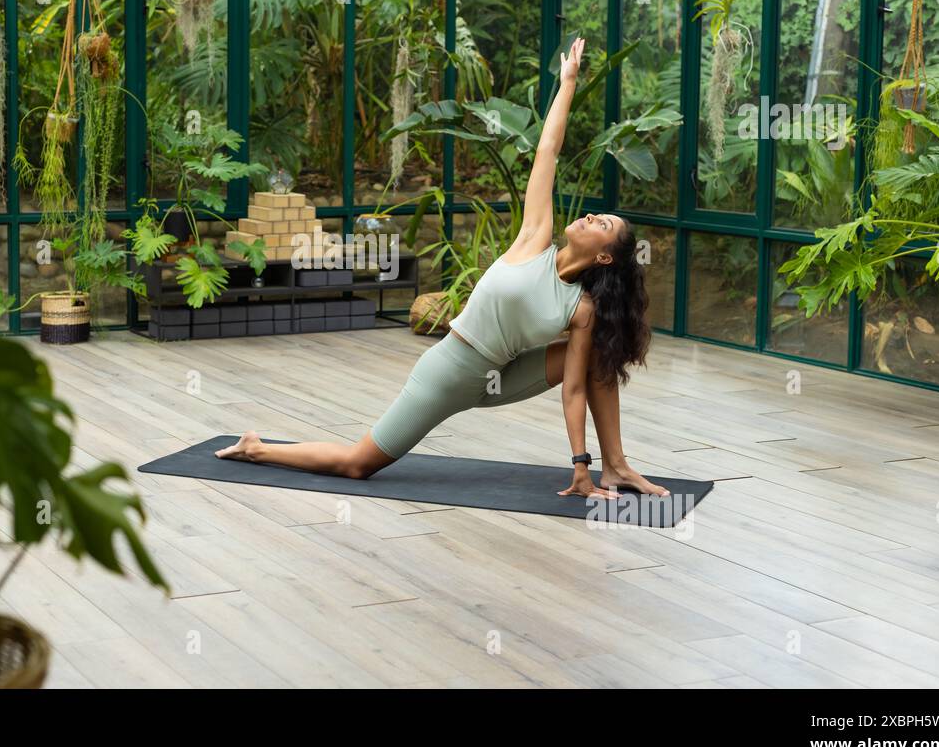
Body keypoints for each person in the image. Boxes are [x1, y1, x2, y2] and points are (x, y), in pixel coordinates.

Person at [216, 38, 667, 500]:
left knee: (598, 356)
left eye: (603, 223)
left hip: (504, 377)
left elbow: (574, 390)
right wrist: (567, 81)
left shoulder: (582, 308)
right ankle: (257, 448)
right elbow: (547, 151)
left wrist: (581, 467)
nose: (592, 216)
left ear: (605, 256)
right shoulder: (535, 237)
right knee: (358, 465)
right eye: (597, 214)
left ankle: (616, 466)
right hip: (450, 372)